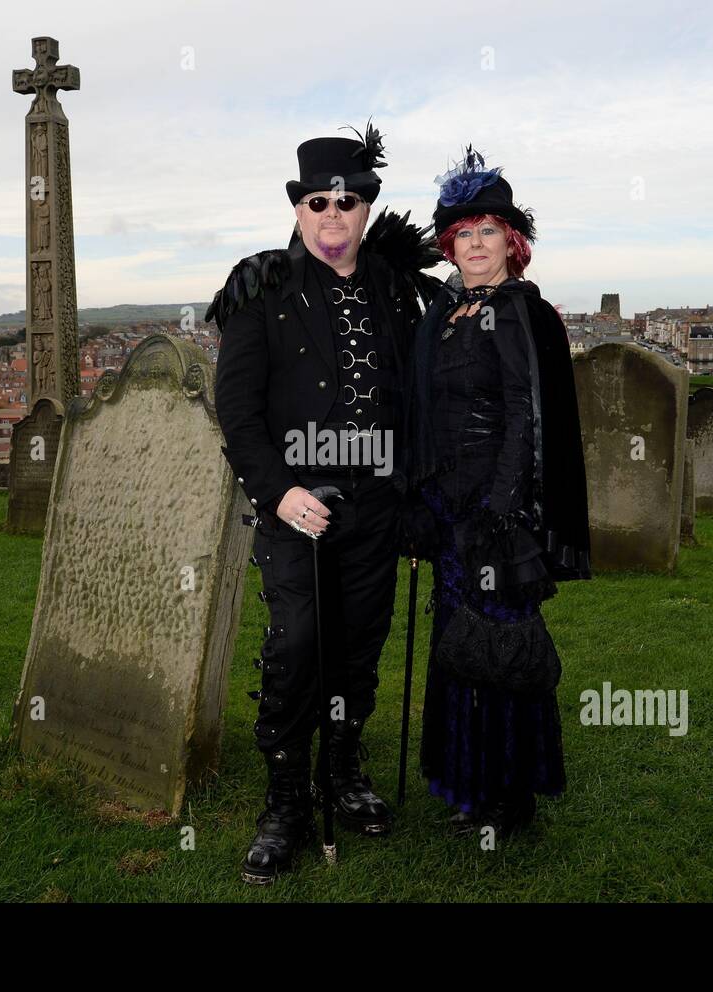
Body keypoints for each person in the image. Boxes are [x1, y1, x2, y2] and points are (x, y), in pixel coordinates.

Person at [208, 123, 440, 884]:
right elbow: (237, 413)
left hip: (376, 505)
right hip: (296, 506)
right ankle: (285, 801)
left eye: (348, 201)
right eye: (318, 202)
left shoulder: (394, 289)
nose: (332, 214)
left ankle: (342, 771)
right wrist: (280, 494)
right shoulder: (261, 286)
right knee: (299, 646)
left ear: (366, 208)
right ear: (300, 209)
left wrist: (410, 496)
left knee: (356, 651)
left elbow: (415, 403)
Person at [404, 146, 593, 839]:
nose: (474, 244)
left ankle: (509, 800)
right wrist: (421, 501)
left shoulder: (520, 313)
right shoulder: (445, 312)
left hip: (497, 513)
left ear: (511, 243)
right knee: (461, 646)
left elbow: (527, 415)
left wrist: (502, 508)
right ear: (448, 244)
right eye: (462, 233)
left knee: (502, 649)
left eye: (488, 231)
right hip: (451, 510)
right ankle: (468, 786)